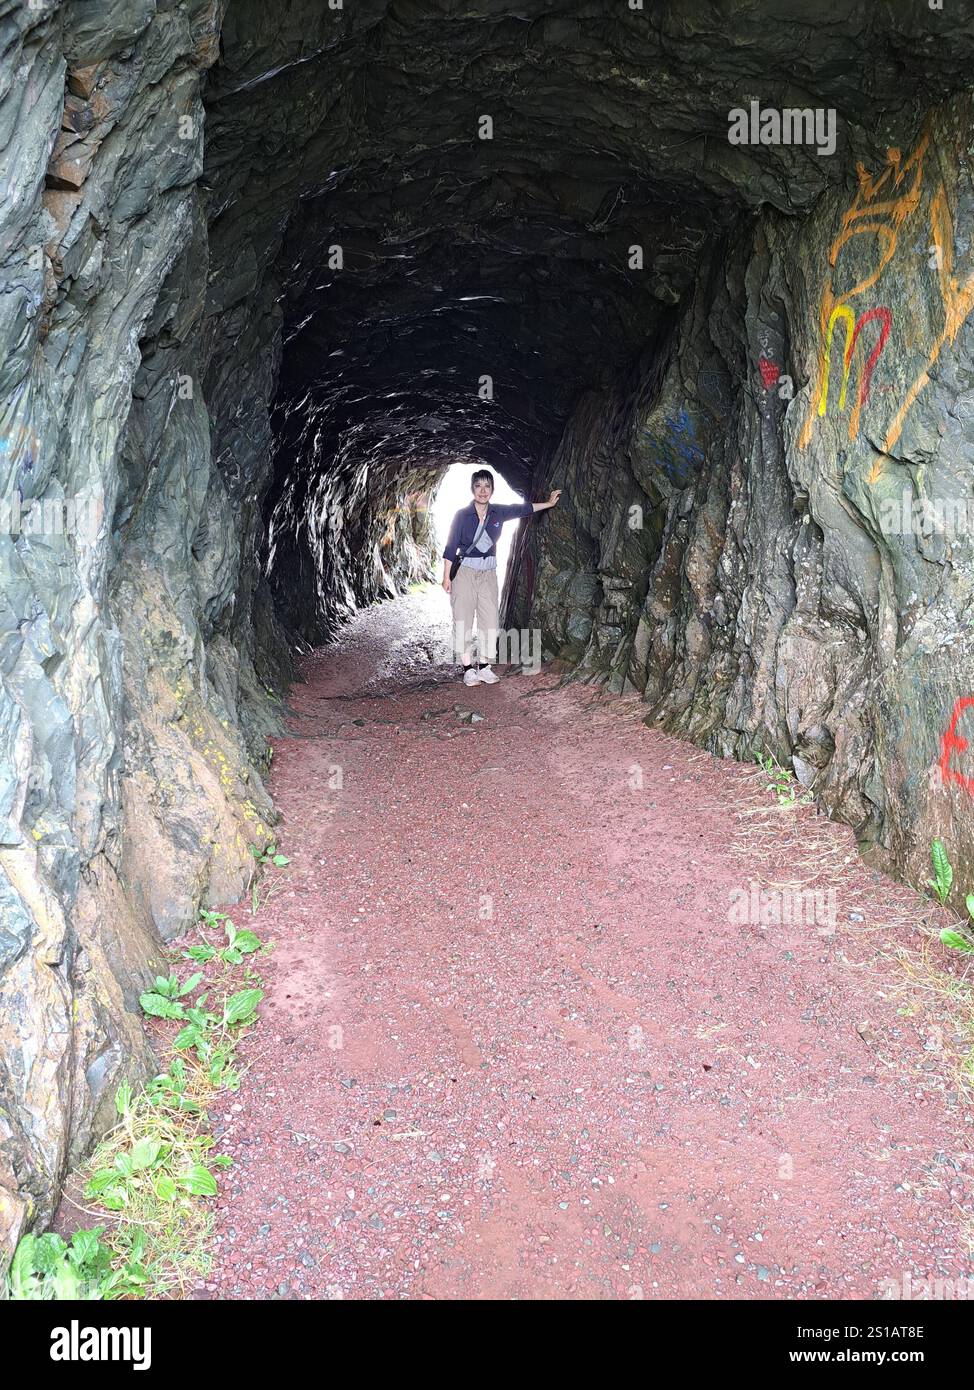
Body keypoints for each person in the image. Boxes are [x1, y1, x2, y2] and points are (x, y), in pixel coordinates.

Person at [441, 469, 562, 685]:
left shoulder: (498, 513)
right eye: (478, 486)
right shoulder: (462, 515)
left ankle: (484, 666)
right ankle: (468, 669)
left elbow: (523, 509)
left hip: (488, 574)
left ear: (492, 489)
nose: (483, 491)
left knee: (490, 621)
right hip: (465, 573)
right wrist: (446, 577)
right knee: (462, 620)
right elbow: (451, 547)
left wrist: (549, 503)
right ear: (472, 489)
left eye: (487, 486)